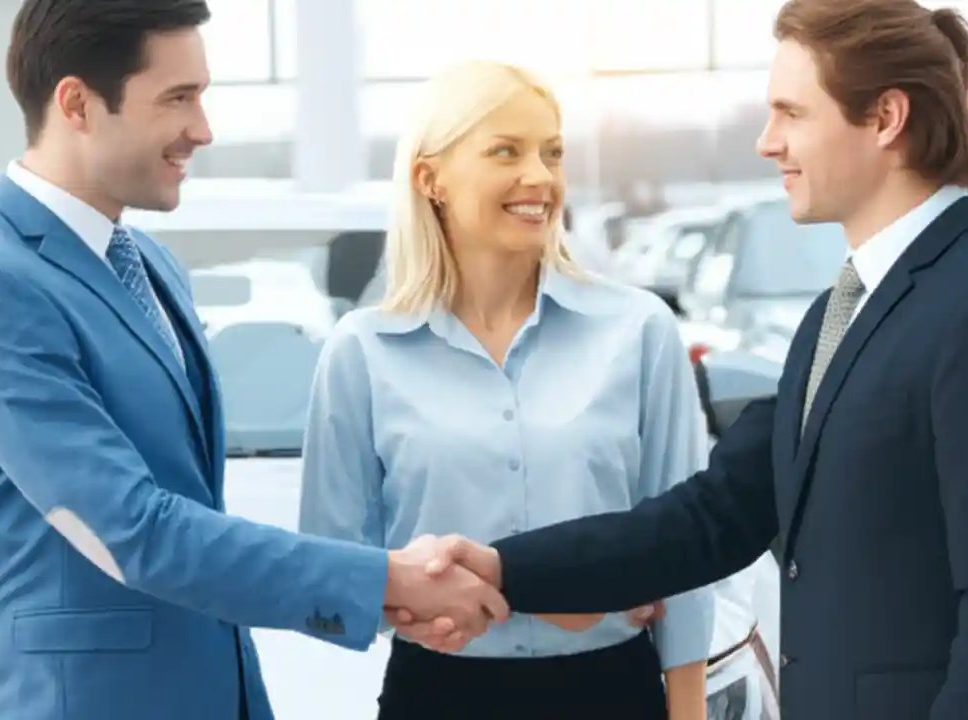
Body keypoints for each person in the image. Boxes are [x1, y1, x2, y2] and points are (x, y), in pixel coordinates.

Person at [397, 3, 968, 720]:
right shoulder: (840, 313)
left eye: (791, 113)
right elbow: (709, 519)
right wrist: (506, 567)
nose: (768, 143)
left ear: (886, 118)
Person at [0, 3, 502, 719]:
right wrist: (389, 579)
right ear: (77, 103)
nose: (204, 128)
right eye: (178, 98)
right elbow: (133, 529)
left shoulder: (149, 262)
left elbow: (189, 510)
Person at [297, 60, 716, 720]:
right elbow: (328, 572)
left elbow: (687, 552)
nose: (541, 177)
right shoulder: (362, 351)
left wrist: (687, 709)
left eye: (552, 153)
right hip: (437, 696)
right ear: (429, 179)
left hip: (613, 692)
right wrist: (422, 600)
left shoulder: (639, 330)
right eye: (506, 151)